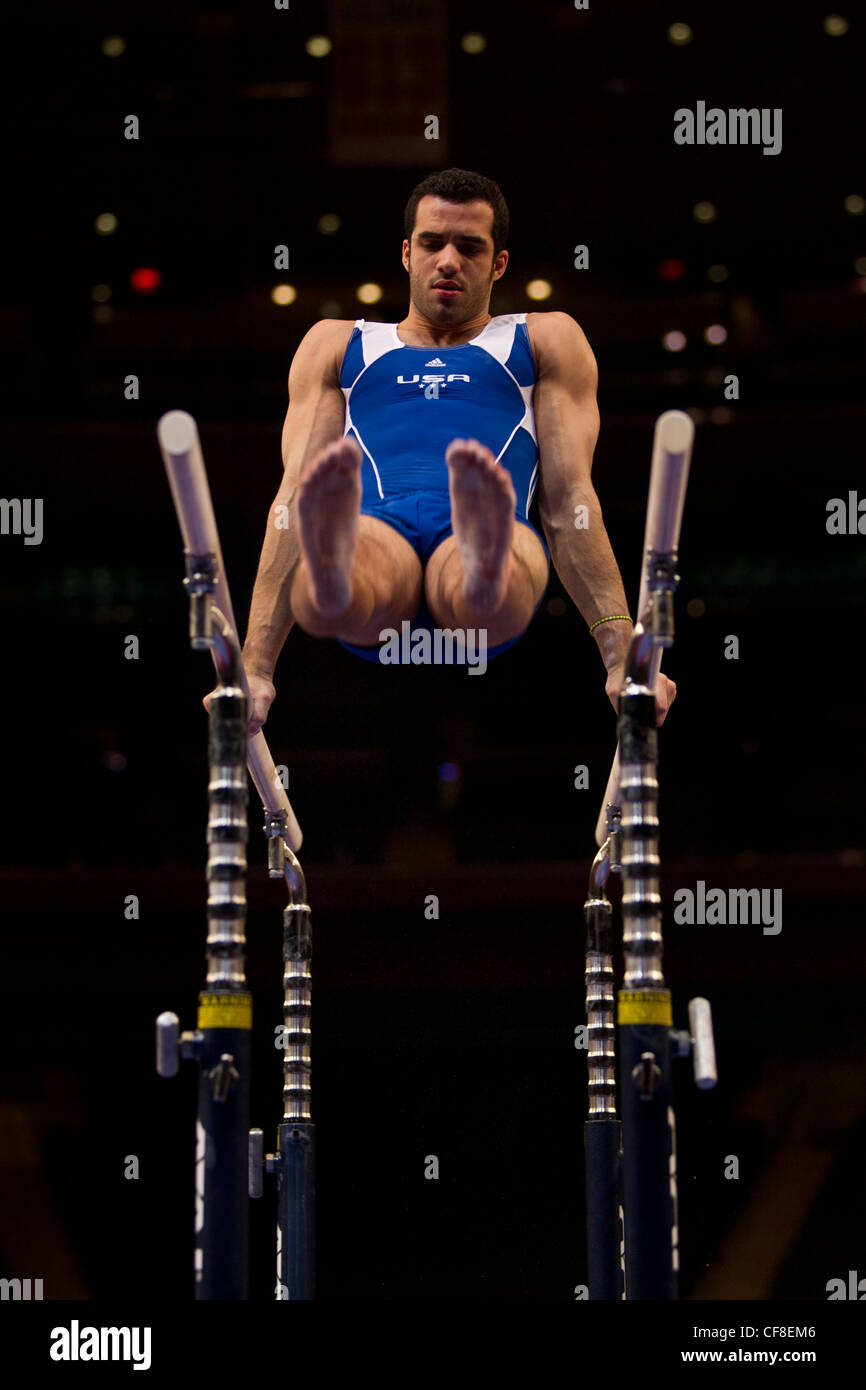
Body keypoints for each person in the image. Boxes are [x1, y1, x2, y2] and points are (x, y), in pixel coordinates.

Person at [209, 167, 676, 735]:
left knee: (491, 580)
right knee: (356, 572)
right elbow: (288, 504)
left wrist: (619, 649)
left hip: (493, 531)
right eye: (432, 243)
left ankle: (479, 569)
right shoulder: (338, 345)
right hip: (377, 527)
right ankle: (337, 573)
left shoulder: (542, 340)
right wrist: (254, 670)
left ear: (498, 263)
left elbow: (570, 503)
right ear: (407, 253)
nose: (448, 260)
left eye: (469, 247)